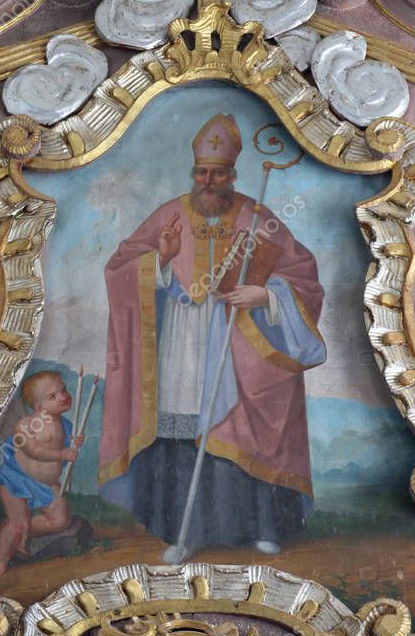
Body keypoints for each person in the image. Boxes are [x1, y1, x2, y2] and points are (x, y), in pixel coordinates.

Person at [98, 113, 326, 561]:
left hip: (239, 343)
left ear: (232, 175)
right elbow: (120, 267)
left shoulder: (258, 216)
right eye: (201, 172)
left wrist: (266, 295)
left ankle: (259, 526)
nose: (208, 180)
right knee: (182, 436)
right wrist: (160, 262)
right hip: (179, 342)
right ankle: (181, 533)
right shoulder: (169, 215)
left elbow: (305, 279)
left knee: (240, 429)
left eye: (217, 172)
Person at [0, 371, 85, 576]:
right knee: (17, 524)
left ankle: (23, 532)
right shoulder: (24, 425)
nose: (63, 396)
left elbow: (66, 448)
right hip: (17, 480)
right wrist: (62, 453)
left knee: (60, 521)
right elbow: (35, 451)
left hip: (47, 484)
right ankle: (0, 558)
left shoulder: (65, 424)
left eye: (64, 390)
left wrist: (74, 444)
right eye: (53, 396)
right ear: (38, 406)